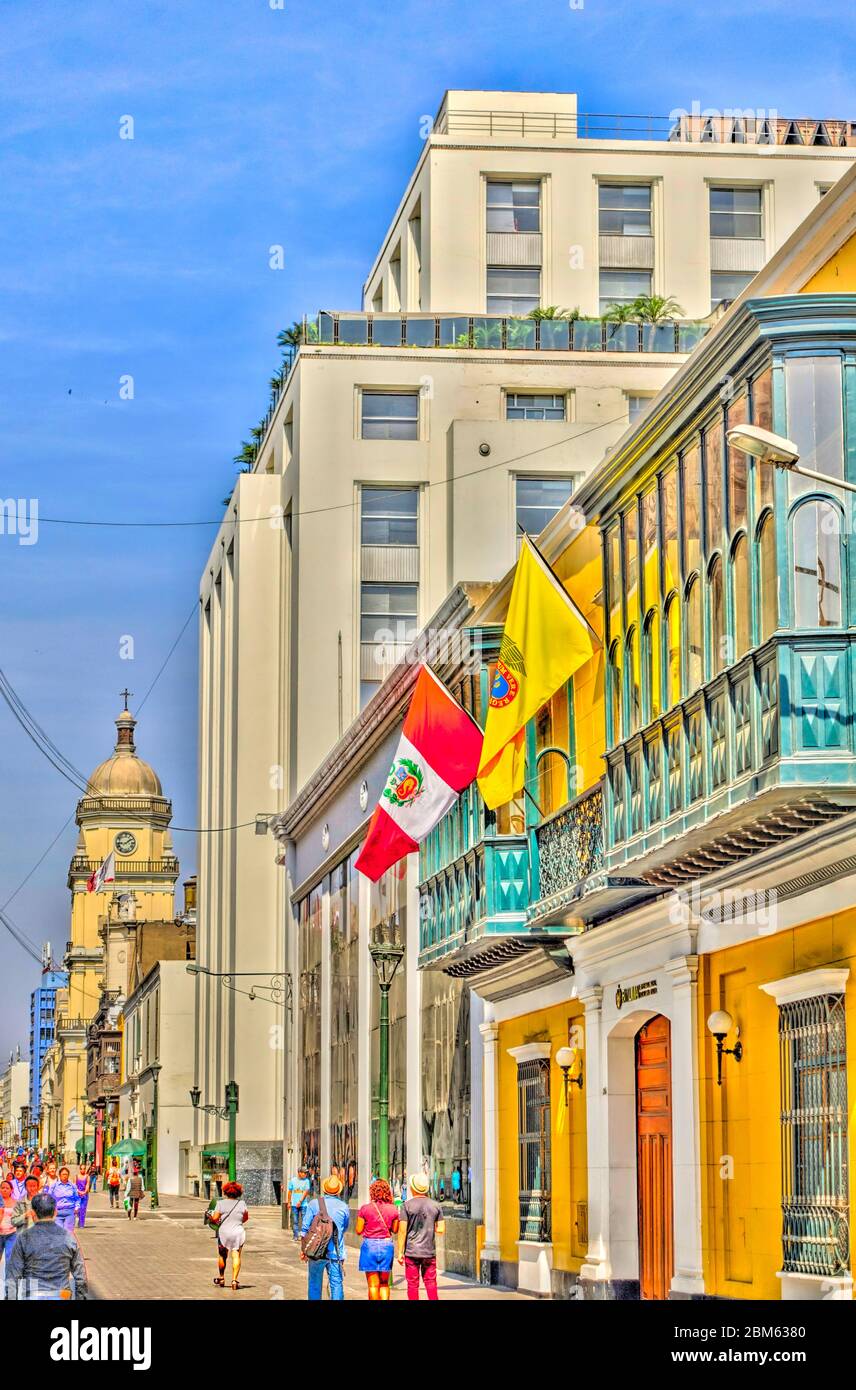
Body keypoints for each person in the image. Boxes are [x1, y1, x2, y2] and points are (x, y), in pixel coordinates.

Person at [5, 1191, 87, 1300]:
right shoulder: (68, 1237)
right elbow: (81, 1276)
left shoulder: (24, 1238)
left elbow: (13, 1275)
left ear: (33, 1213)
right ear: (55, 1212)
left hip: (33, 1294)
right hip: (62, 1295)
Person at [300, 1173, 350, 1301]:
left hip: (316, 1252)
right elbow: (344, 1228)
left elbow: (305, 1230)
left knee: (314, 1285)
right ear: (338, 1191)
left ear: (324, 1189)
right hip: (336, 1253)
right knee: (336, 1285)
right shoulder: (344, 1207)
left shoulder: (313, 1204)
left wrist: (304, 1250)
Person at [397, 1173, 444, 1301]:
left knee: (412, 1284)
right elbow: (441, 1229)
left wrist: (400, 1252)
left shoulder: (406, 1206)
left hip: (412, 1252)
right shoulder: (436, 1206)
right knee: (431, 1282)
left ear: (412, 1188)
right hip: (429, 1252)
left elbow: (402, 1231)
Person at [355, 1178, 399, 1301]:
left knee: (373, 1285)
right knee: (384, 1283)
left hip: (370, 1246)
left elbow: (358, 1230)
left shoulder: (365, 1209)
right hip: (386, 1246)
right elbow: (395, 1230)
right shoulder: (393, 1209)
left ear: (372, 1192)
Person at [210, 1180, 249, 1291]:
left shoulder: (220, 1203)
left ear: (225, 1192)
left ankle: (221, 1278)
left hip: (224, 1233)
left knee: (222, 1256)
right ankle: (234, 1280)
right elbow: (245, 1218)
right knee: (236, 1255)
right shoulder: (242, 1204)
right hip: (238, 1233)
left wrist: (211, 1217)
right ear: (238, 1193)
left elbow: (215, 1218)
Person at [286, 1166, 311, 1242]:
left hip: (303, 1205)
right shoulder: (293, 1181)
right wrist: (289, 1202)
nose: (305, 1174)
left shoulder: (307, 1181)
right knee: (295, 1221)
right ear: (299, 1173)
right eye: (304, 1173)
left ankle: (304, 1236)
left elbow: (306, 1192)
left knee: (304, 1221)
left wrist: (300, 1201)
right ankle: (295, 1236)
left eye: (306, 1173)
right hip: (294, 1204)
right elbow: (290, 1192)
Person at [53, 1168, 79, 1232]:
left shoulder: (73, 1186)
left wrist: (77, 1207)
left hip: (70, 1211)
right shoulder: (54, 1186)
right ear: (59, 1175)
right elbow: (50, 1198)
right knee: (58, 1232)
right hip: (58, 1212)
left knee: (68, 1232)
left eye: (66, 1174)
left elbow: (77, 1198)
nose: (65, 1176)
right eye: (63, 1174)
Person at [0, 1180, 18, 1269]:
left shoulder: (16, 1202)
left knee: (10, 1259)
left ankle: (9, 1282)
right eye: (2, 1188)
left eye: (7, 1188)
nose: (5, 1190)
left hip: (11, 1235)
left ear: (12, 1190)